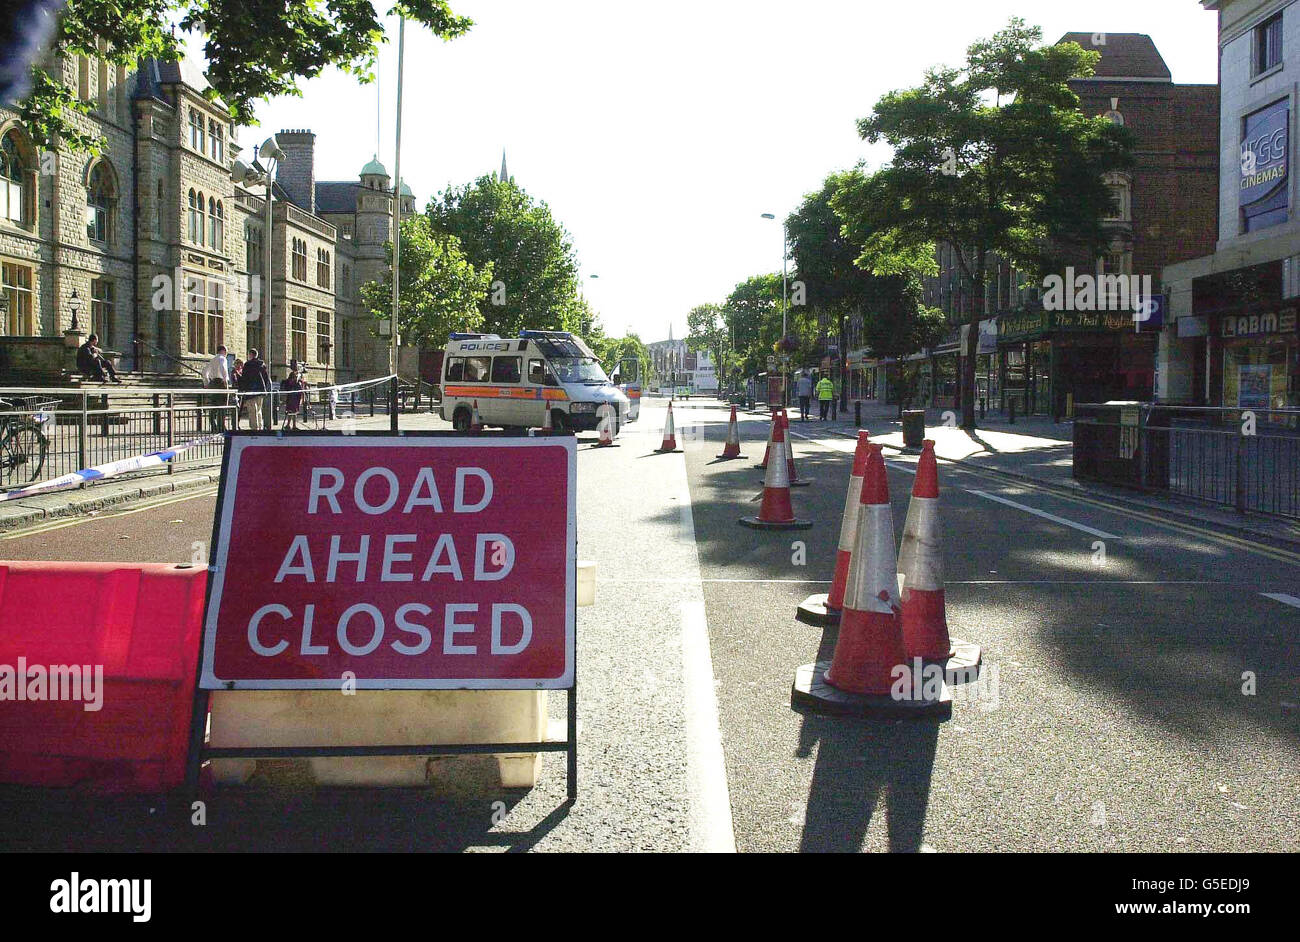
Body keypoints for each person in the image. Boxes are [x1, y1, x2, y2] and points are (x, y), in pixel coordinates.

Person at [237, 348, 271, 429]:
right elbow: (266, 378)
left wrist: (239, 378)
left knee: (252, 411)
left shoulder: (248, 365)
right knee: (259, 410)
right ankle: (260, 426)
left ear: (250, 355)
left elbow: (245, 378)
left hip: (251, 390)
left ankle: (254, 428)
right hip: (260, 390)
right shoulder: (261, 364)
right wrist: (264, 388)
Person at [202, 344, 230, 431]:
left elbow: (204, 372)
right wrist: (225, 379)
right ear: (223, 351)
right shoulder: (222, 358)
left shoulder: (212, 359)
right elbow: (223, 368)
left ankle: (213, 425)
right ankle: (221, 426)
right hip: (221, 383)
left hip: (213, 382)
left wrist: (206, 383)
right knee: (223, 405)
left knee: (214, 405)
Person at [230, 358, 244, 429]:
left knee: (240, 410)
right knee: (236, 408)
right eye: (238, 364)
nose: (239, 366)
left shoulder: (241, 371)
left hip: (241, 391)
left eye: (240, 364)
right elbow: (235, 380)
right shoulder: (234, 371)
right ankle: (234, 424)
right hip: (235, 392)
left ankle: (237, 423)